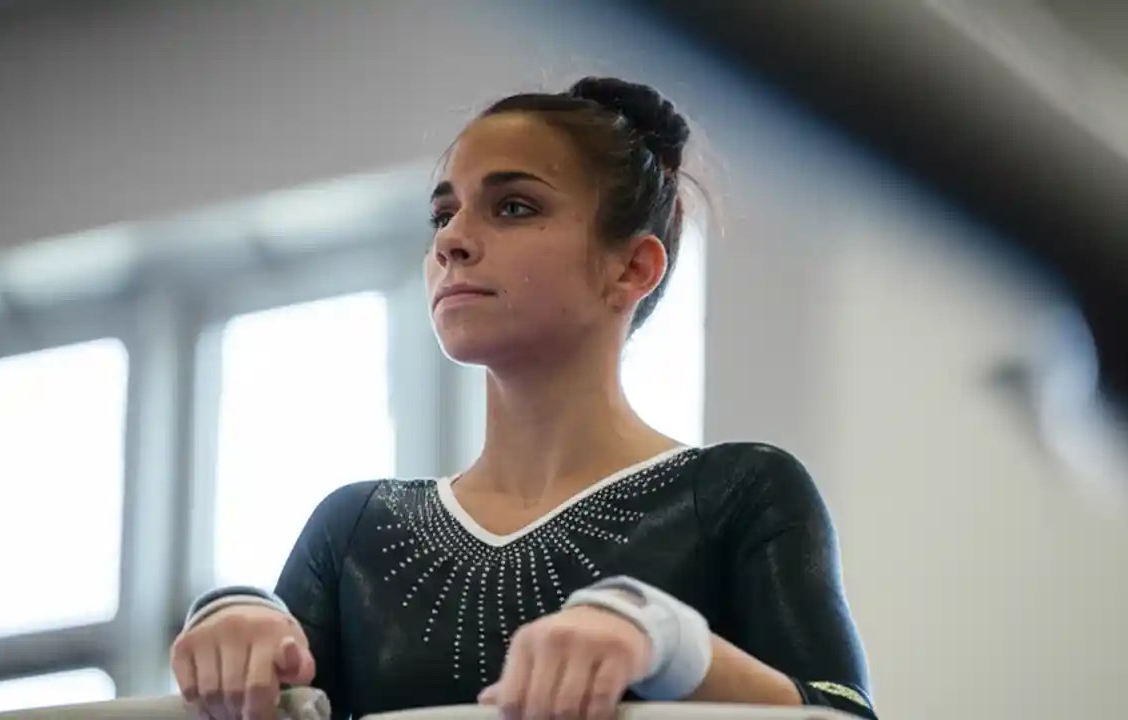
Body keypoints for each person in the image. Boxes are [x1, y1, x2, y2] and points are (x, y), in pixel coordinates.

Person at [170, 77, 877, 720]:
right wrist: (237, 637)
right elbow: (271, 694)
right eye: (442, 214)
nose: (452, 240)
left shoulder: (736, 494)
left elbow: (842, 712)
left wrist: (672, 643)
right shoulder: (354, 530)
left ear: (632, 267)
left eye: (513, 207)